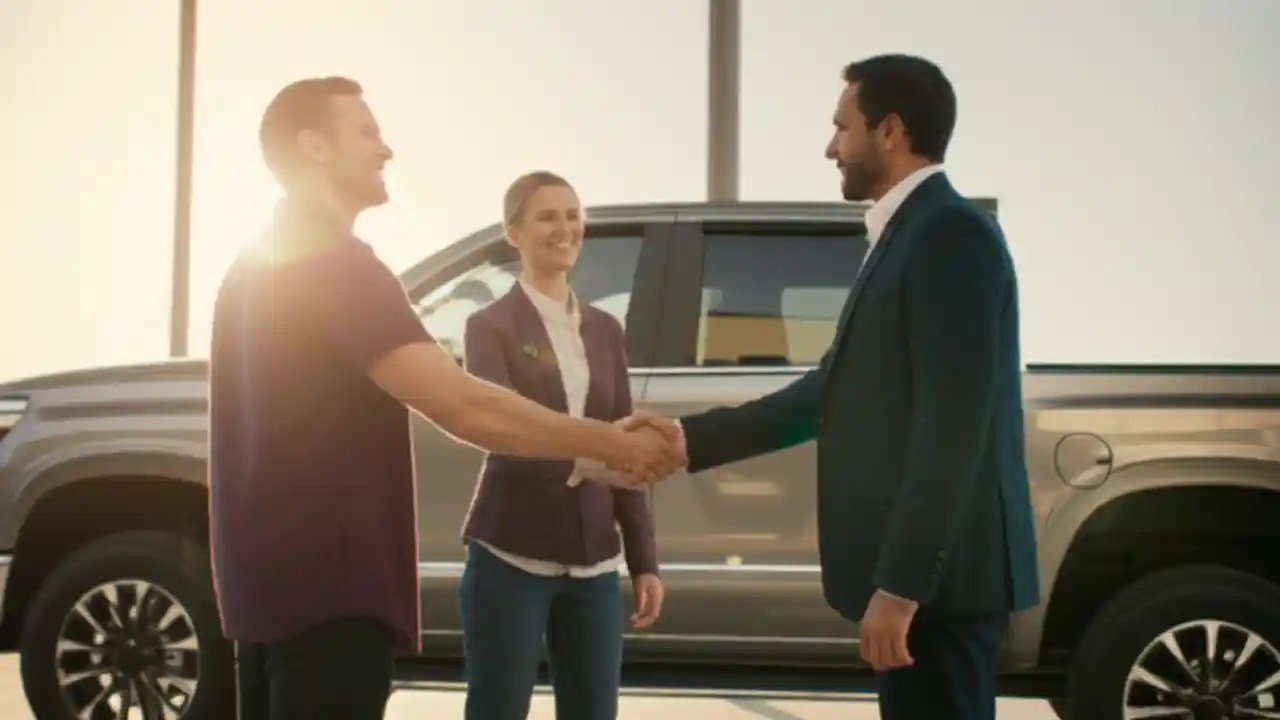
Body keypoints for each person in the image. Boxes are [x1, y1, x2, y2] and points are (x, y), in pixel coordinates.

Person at [208, 77, 682, 720]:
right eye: (367, 133)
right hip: (330, 598)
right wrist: (610, 442)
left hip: (266, 597)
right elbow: (465, 405)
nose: (385, 150)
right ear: (313, 147)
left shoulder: (250, 268)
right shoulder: (338, 266)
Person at [626, 54, 1040, 720]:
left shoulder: (948, 233)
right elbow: (831, 393)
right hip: (928, 593)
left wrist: (901, 587)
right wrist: (685, 438)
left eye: (842, 127)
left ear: (890, 130)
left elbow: (953, 426)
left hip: (940, 593)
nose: (830, 148)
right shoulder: (909, 234)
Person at [456, 170, 663, 720]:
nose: (564, 228)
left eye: (572, 215)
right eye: (546, 216)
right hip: (510, 552)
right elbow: (500, 431)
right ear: (514, 233)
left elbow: (623, 442)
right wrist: (587, 459)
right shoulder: (488, 326)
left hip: (594, 564)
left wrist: (643, 560)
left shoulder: (606, 330)